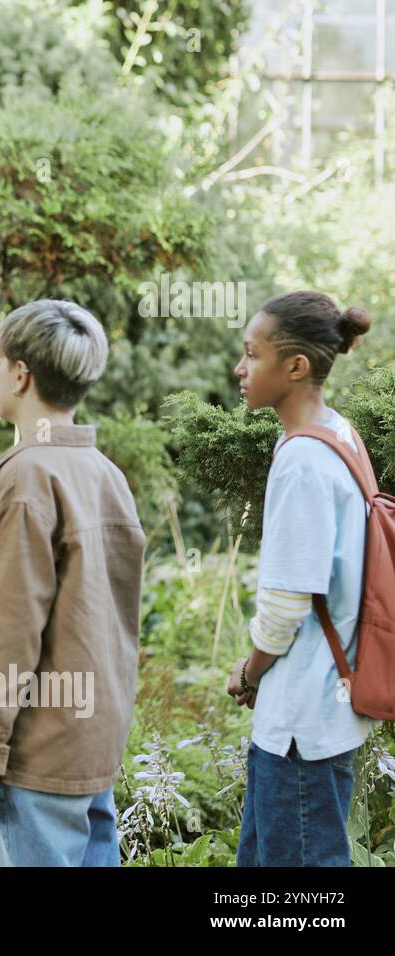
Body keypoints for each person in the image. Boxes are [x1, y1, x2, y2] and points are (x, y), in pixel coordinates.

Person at [0, 299, 145, 866]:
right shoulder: (106, 474)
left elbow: (9, 628)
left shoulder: (27, 476)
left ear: (21, 373)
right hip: (92, 742)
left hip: (33, 751)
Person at [227, 290, 377, 867]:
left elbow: (288, 603)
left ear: (296, 367)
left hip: (299, 727)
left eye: (252, 354)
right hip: (317, 712)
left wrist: (248, 671)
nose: (241, 369)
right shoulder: (337, 435)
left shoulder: (304, 461)